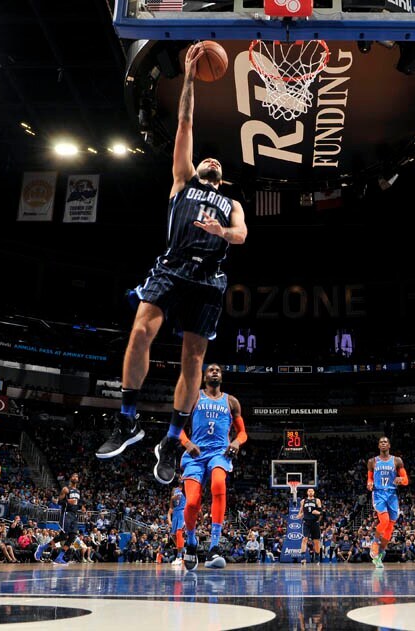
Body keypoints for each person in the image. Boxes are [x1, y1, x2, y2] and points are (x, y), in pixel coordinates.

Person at [95, 42, 248, 482]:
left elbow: (241, 234)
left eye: (217, 162)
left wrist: (223, 232)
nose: (212, 159)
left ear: (222, 177)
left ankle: (171, 437)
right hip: (172, 266)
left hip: (208, 278)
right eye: (207, 158)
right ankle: (127, 419)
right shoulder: (182, 182)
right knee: (141, 329)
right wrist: (189, 77)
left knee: (193, 361)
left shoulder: (232, 203)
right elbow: (184, 122)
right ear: (198, 167)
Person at [178, 364, 247, 571]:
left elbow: (242, 433)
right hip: (195, 454)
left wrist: (236, 442)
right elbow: (177, 428)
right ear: (204, 376)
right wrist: (187, 443)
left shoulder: (231, 401)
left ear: (221, 377)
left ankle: (214, 548)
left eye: (218, 370)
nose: (215, 371)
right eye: (211, 370)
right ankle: (191, 543)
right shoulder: (193, 397)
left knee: (218, 484)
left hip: (219, 453)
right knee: (191, 503)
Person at [367, 436, 409, 569]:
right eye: (381, 442)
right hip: (379, 494)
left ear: (389, 445)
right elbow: (369, 479)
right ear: (379, 446)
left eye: (385, 442)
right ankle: (374, 543)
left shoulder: (397, 460)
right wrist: (369, 484)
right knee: (384, 521)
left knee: (390, 527)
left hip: (392, 495)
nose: (383, 444)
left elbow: (406, 480)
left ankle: (380, 553)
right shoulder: (372, 461)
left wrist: (400, 480)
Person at [295, 487, 323, 564]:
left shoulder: (317, 500)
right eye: (309, 491)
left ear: (313, 492)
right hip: (306, 522)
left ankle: (317, 558)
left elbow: (321, 512)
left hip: (315, 522)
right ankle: (303, 558)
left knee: (316, 541)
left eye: (312, 491)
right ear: (307, 492)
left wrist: (317, 514)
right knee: (304, 539)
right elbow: (300, 512)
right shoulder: (303, 501)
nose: (310, 492)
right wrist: (299, 515)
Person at [167, 480, 186, 566]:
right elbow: (171, 505)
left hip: (182, 512)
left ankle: (179, 557)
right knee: (173, 535)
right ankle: (183, 550)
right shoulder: (174, 489)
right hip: (175, 512)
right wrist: (172, 498)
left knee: (179, 533)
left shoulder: (186, 489)